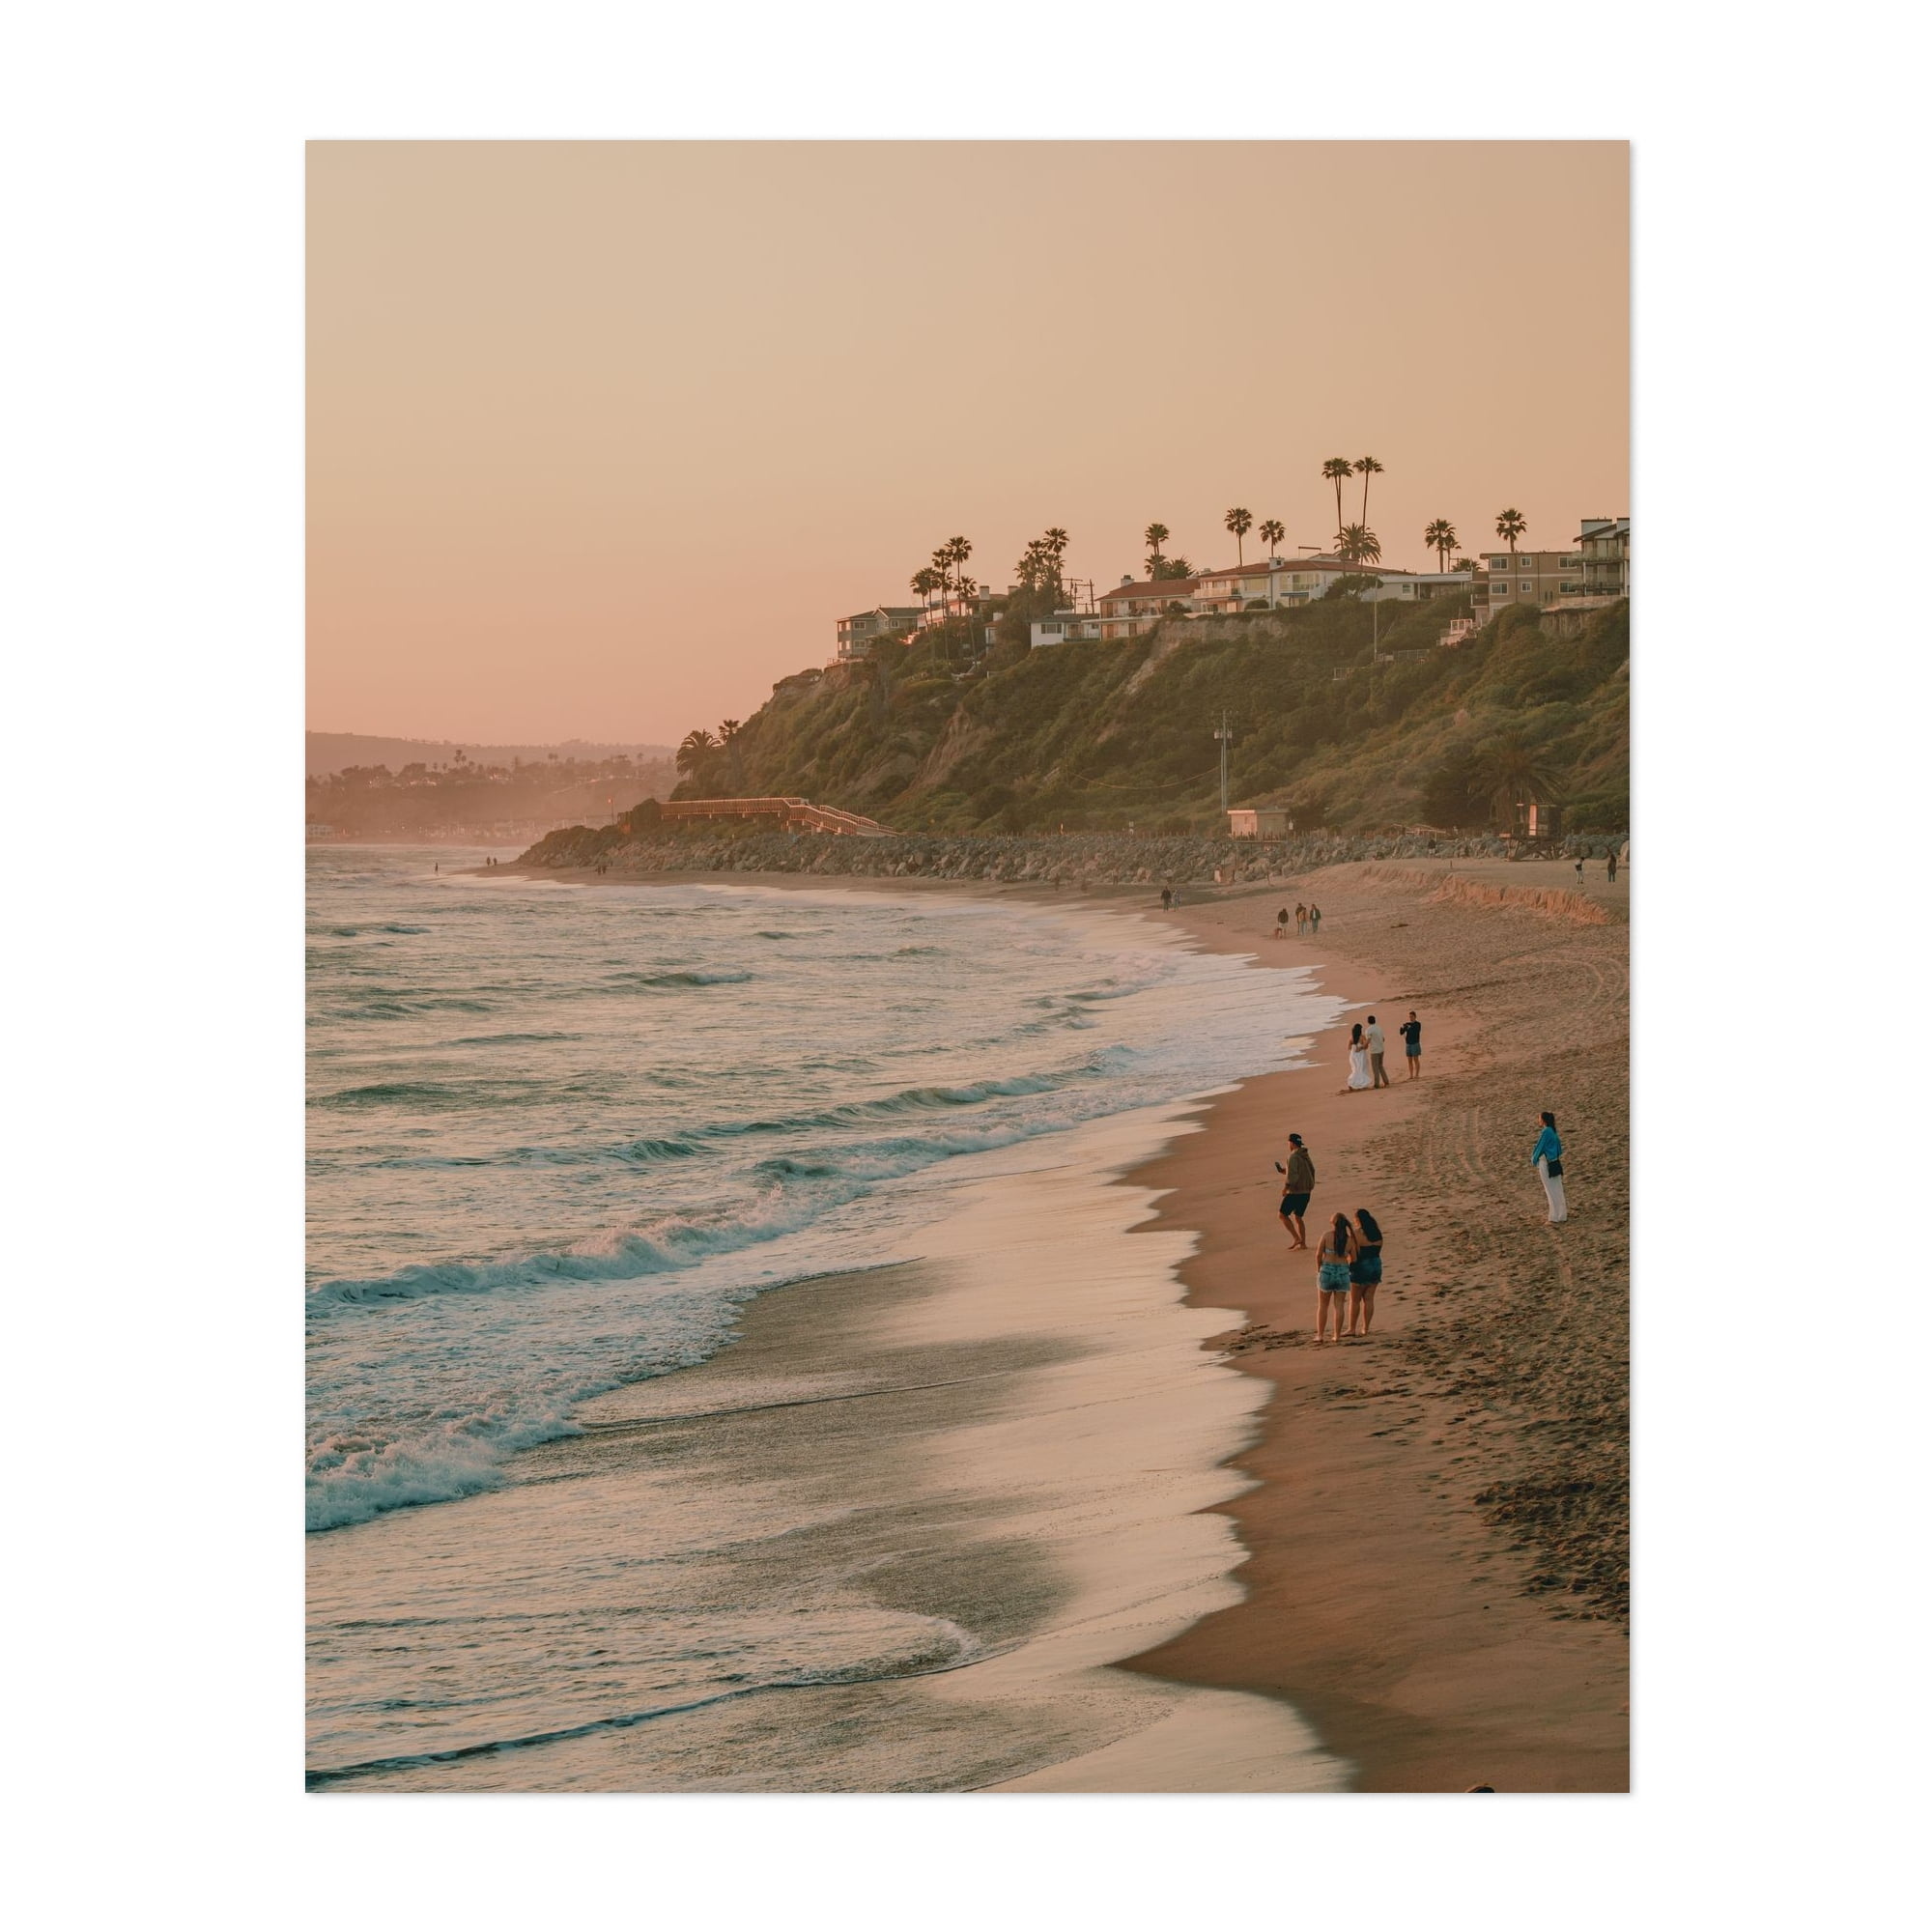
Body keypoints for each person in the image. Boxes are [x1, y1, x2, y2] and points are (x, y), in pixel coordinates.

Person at [1316, 1213, 1355, 1342]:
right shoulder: (1349, 1239)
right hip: (1343, 1270)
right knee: (1339, 1305)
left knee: (1323, 1305)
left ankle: (1320, 1335)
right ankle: (1336, 1335)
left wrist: (1318, 1269)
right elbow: (1354, 1258)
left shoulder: (1327, 1235)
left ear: (1333, 1223)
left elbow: (1318, 1254)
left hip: (1327, 1269)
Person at [1348, 1208, 1384, 1335]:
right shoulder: (1377, 1232)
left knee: (1355, 1299)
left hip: (1362, 1265)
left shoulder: (1357, 1233)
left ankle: (1352, 1328)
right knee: (1369, 1299)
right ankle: (1365, 1328)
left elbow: (1353, 1253)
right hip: (1376, 1264)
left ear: (1358, 1219)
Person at [1275, 1133, 1315, 1248]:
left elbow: (1293, 1176)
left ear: (1291, 1143)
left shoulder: (1292, 1157)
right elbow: (1310, 1171)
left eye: (1288, 1143)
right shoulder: (1305, 1155)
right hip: (1306, 1192)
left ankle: (1297, 1238)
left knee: (1282, 1215)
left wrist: (1286, 1188)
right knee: (1298, 1217)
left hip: (1295, 1192)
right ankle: (1303, 1244)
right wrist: (1283, 1171)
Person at [1532, 1110, 1567, 1224]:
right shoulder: (1553, 1131)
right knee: (1557, 1188)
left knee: (1550, 1189)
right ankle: (1561, 1214)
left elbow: (1539, 1147)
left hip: (1546, 1163)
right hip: (1554, 1162)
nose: (1538, 1120)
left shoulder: (1546, 1131)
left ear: (1543, 1120)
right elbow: (1559, 1149)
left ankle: (1554, 1216)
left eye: (1539, 1118)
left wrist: (1534, 1159)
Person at [1339, 1022, 1372, 1094]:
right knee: (1362, 1069)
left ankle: (1352, 1083)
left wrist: (1354, 1047)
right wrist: (1361, 1047)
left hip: (1353, 1056)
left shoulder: (1351, 1037)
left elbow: (1348, 1048)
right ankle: (1361, 1084)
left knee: (1355, 1070)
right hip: (1361, 1056)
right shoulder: (1362, 1037)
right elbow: (1366, 1047)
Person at [1366, 1013, 1388, 1088]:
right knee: (1380, 1066)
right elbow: (1383, 1039)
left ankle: (1376, 1084)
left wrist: (1363, 1047)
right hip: (1381, 1049)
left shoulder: (1368, 1030)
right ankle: (1386, 1081)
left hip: (1374, 1051)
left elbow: (1368, 1041)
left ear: (1368, 1021)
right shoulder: (1379, 1028)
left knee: (1375, 1067)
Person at [1399, 1009, 1422, 1079]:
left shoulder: (1418, 1024)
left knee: (1416, 1059)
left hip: (1415, 1043)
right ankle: (1411, 1075)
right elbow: (1401, 1033)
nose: (1411, 1018)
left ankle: (1417, 1074)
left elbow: (1416, 1031)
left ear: (1415, 1017)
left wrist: (1409, 1027)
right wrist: (1402, 1028)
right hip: (1408, 1043)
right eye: (1410, 1017)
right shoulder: (1408, 1024)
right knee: (1409, 1060)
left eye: (1412, 1017)